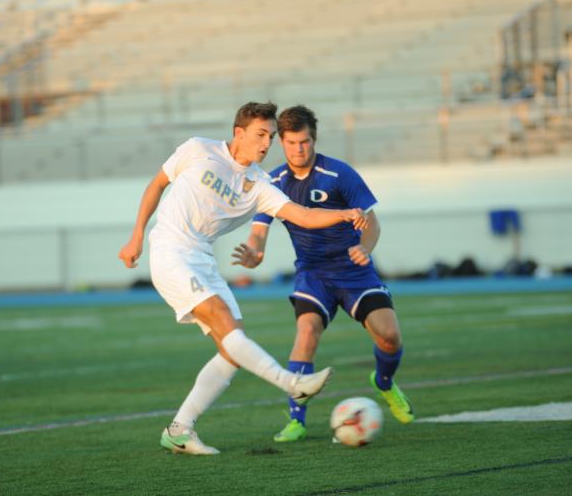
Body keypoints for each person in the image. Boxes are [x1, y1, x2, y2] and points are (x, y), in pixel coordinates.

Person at [118, 102, 367, 455]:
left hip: (202, 259)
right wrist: (137, 236)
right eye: (261, 135)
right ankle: (291, 382)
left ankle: (179, 429)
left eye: (271, 137)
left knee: (232, 349)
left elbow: (303, 215)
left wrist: (344, 213)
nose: (267, 144)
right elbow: (157, 185)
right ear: (239, 133)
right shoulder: (198, 148)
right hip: (170, 250)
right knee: (224, 322)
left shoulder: (260, 185)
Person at [233, 105, 413, 443]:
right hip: (312, 273)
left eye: (304, 142)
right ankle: (296, 419)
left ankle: (384, 383)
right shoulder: (271, 181)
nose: (298, 149)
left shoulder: (339, 174)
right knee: (307, 330)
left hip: (353, 271)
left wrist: (365, 247)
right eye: (290, 143)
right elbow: (259, 231)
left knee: (389, 336)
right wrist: (255, 252)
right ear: (281, 143)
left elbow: (371, 224)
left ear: (313, 140)